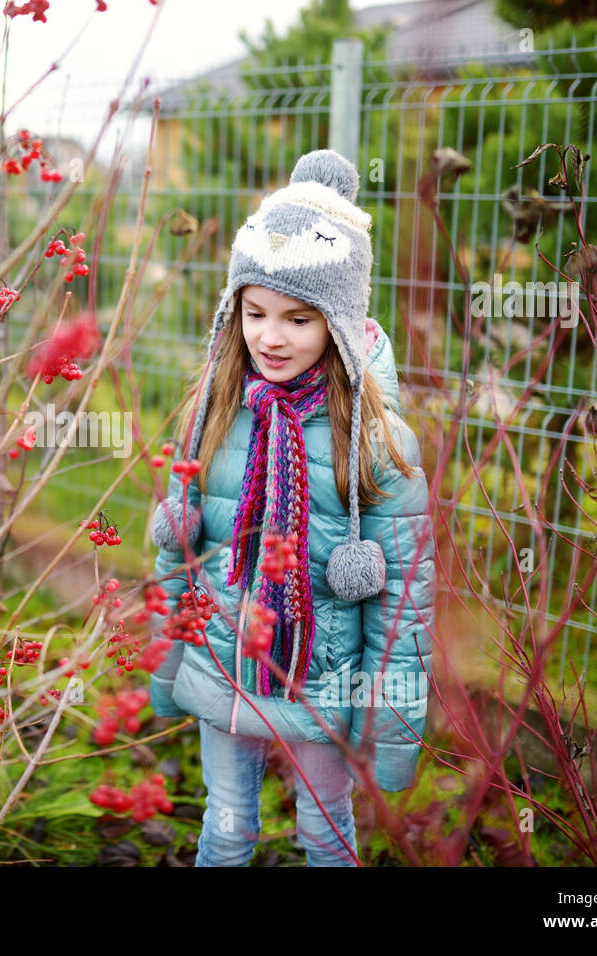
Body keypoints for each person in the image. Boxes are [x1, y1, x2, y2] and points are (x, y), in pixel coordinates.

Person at [147, 149, 436, 867]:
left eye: (298, 319)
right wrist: (164, 666)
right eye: (255, 313)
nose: (270, 337)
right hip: (223, 668)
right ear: (234, 309)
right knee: (227, 824)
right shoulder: (213, 415)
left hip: (323, 682)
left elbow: (405, 606)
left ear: (338, 324)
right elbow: (179, 553)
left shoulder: (374, 444)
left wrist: (392, 728)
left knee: (326, 832)